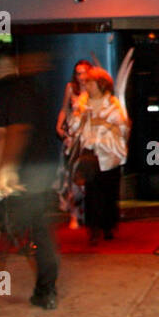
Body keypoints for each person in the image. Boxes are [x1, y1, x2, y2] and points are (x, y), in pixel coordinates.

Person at [0, 52, 60, 309]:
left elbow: (9, 131)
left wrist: (5, 168)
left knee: (16, 225)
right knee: (37, 225)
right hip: (44, 164)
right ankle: (45, 289)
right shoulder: (38, 90)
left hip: (27, 169)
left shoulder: (8, 92)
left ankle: (42, 288)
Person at [74, 66, 130, 242]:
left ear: (100, 84)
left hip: (109, 153)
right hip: (90, 153)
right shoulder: (82, 104)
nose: (86, 85)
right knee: (91, 192)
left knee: (108, 191)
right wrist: (81, 118)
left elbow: (122, 127)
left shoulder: (112, 104)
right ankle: (93, 227)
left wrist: (104, 124)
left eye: (90, 82)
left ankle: (108, 226)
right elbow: (74, 127)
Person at [55, 60, 94, 230]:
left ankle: (89, 213)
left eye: (84, 72)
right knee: (72, 177)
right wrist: (59, 125)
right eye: (78, 73)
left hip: (89, 137)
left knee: (87, 177)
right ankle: (74, 215)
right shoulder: (71, 88)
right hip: (73, 136)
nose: (81, 77)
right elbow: (65, 109)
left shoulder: (95, 89)